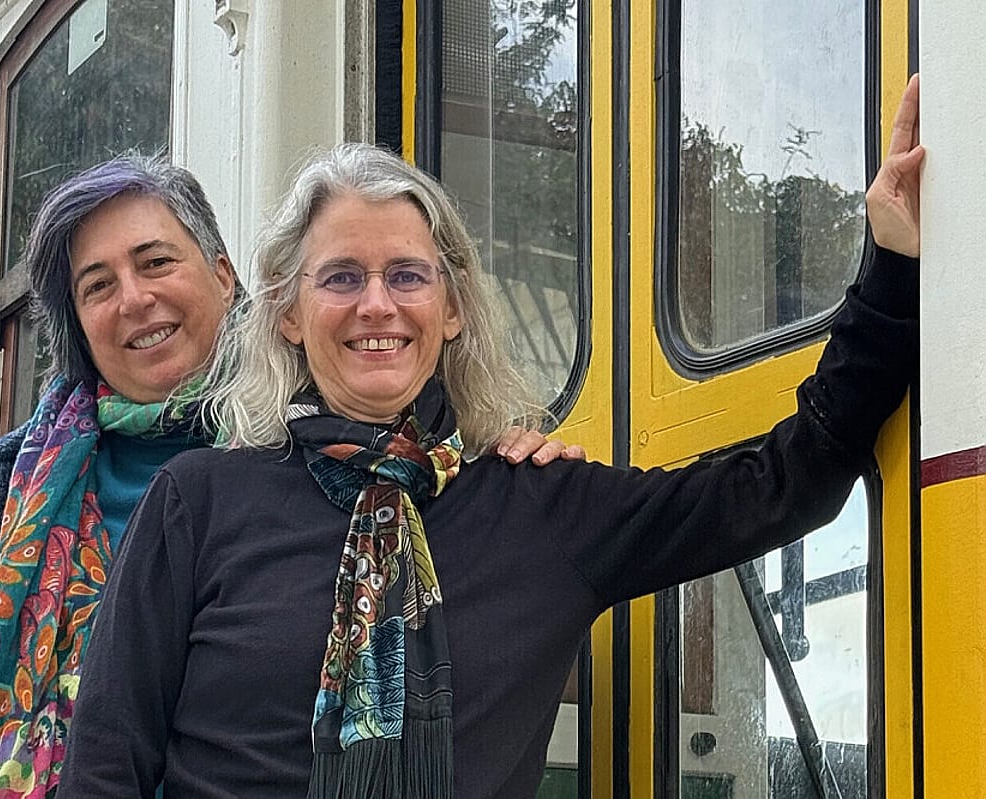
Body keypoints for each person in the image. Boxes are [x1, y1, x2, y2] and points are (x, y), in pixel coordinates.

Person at [58, 77, 923, 798]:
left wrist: (893, 266)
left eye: (407, 276)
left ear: (453, 309)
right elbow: (106, 767)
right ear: (287, 312)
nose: (376, 305)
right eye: (341, 278)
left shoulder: (540, 507)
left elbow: (787, 481)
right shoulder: (199, 501)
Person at [0, 154, 580, 799]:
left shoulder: (344, 437)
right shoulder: (28, 488)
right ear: (79, 325)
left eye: (156, 262)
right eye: (97, 286)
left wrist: (508, 458)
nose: (134, 299)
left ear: (224, 276)